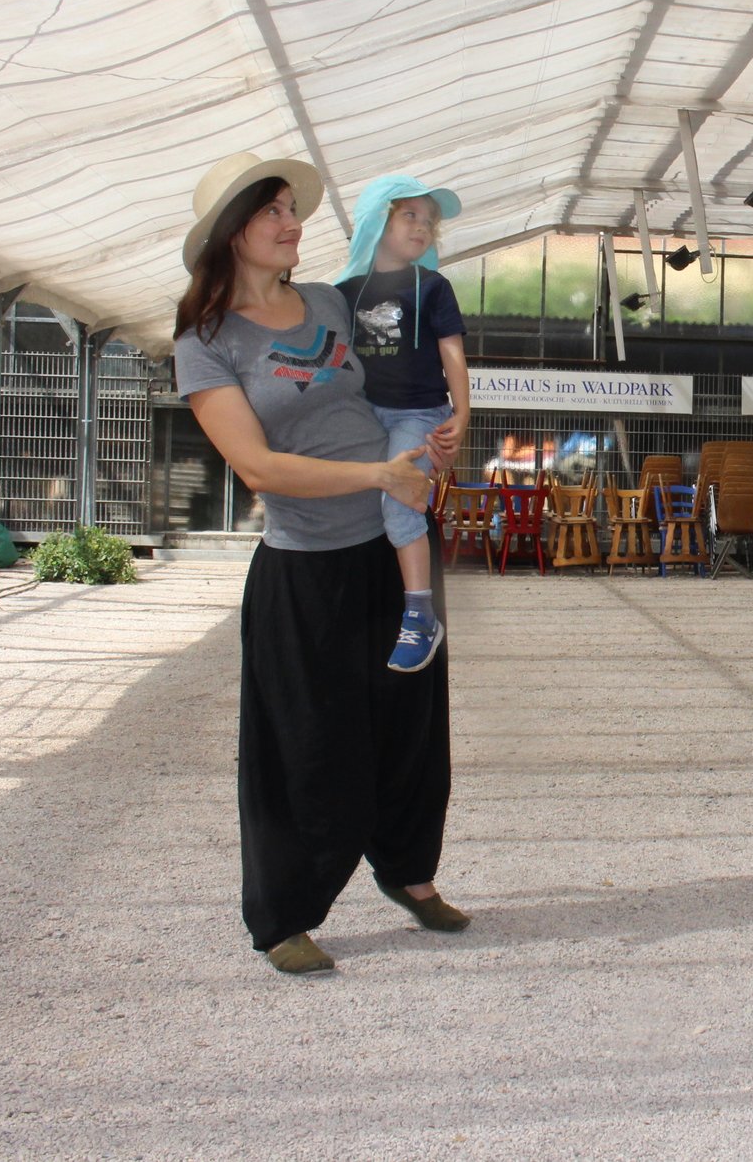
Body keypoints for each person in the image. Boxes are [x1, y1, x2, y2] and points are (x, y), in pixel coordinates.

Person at [171, 152, 470, 976]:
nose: (291, 221)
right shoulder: (206, 342)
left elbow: (398, 392)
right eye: (271, 211)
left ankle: (410, 874)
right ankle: (285, 913)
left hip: (393, 544)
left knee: (412, 729)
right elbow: (258, 468)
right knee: (306, 742)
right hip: (305, 569)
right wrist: (379, 473)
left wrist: (437, 438)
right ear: (231, 234)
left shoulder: (336, 303)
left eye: (290, 209)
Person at [333, 176, 470, 672]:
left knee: (400, 501)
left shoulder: (432, 286)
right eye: (409, 215)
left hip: (418, 414)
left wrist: (461, 413)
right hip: (363, 413)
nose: (422, 227)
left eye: (429, 221)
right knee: (347, 498)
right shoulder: (342, 292)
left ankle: (420, 615)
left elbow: (451, 351)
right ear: (377, 220)